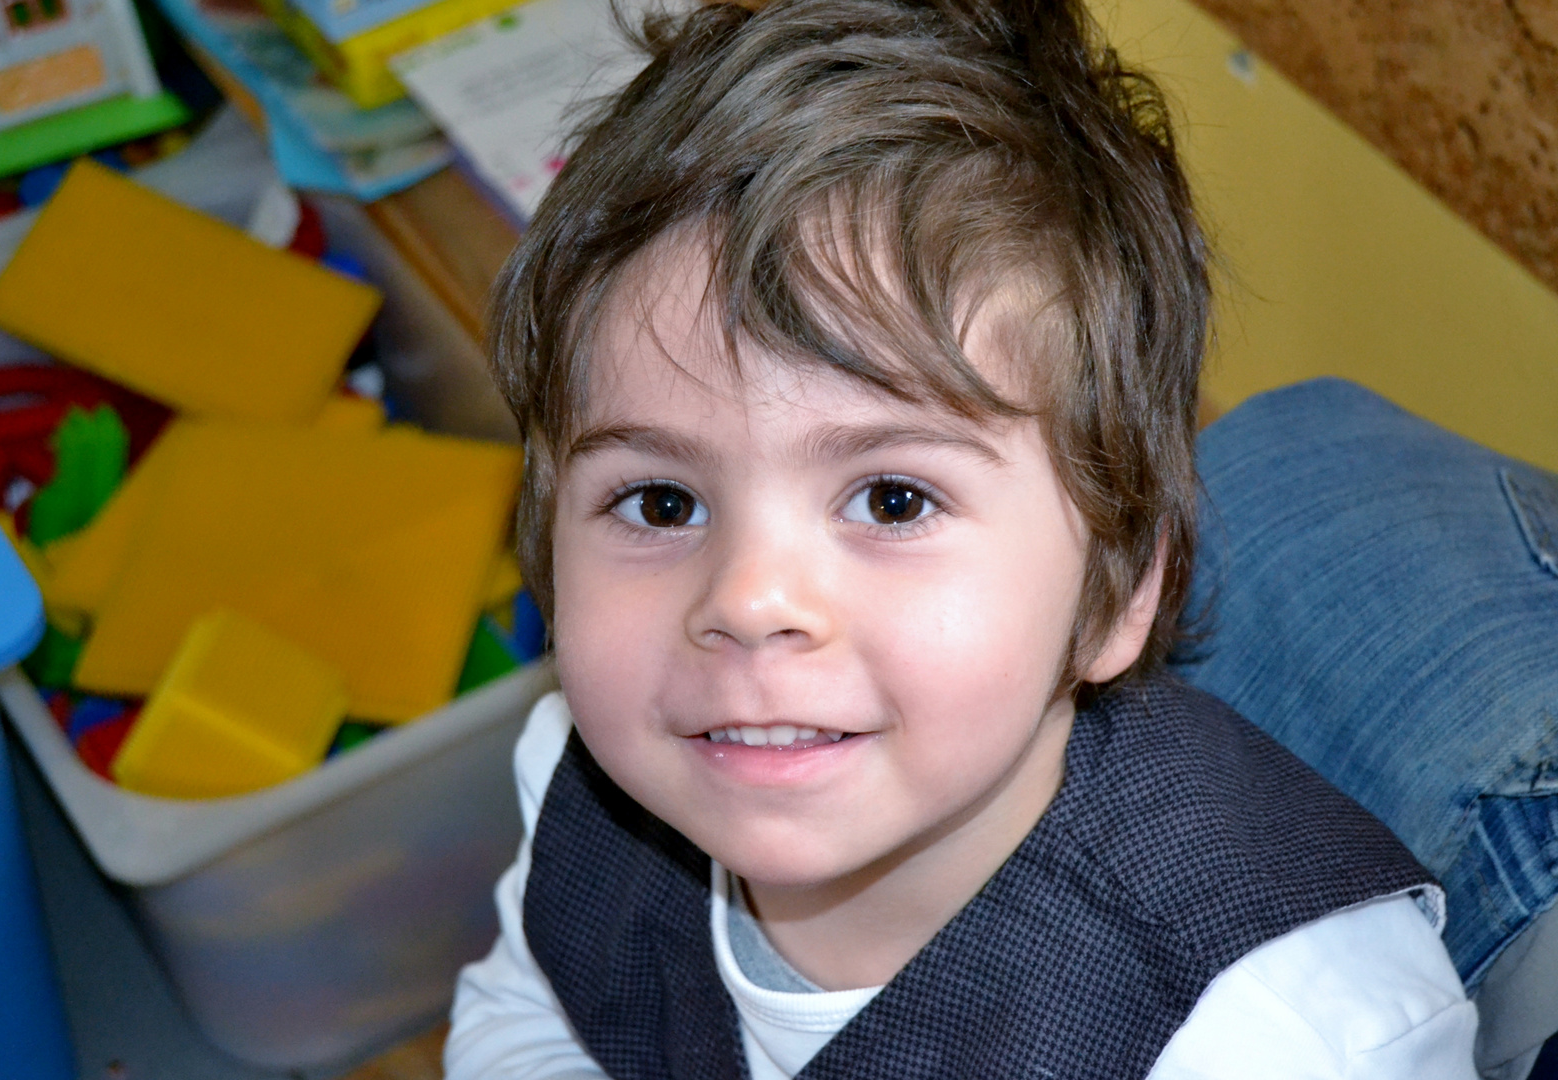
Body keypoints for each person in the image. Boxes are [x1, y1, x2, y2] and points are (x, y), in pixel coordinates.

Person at [445, 0, 1481, 1075]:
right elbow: (529, 1014)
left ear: (1118, 589)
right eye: (661, 504)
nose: (747, 601)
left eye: (892, 500)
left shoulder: (1280, 1038)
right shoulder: (583, 784)